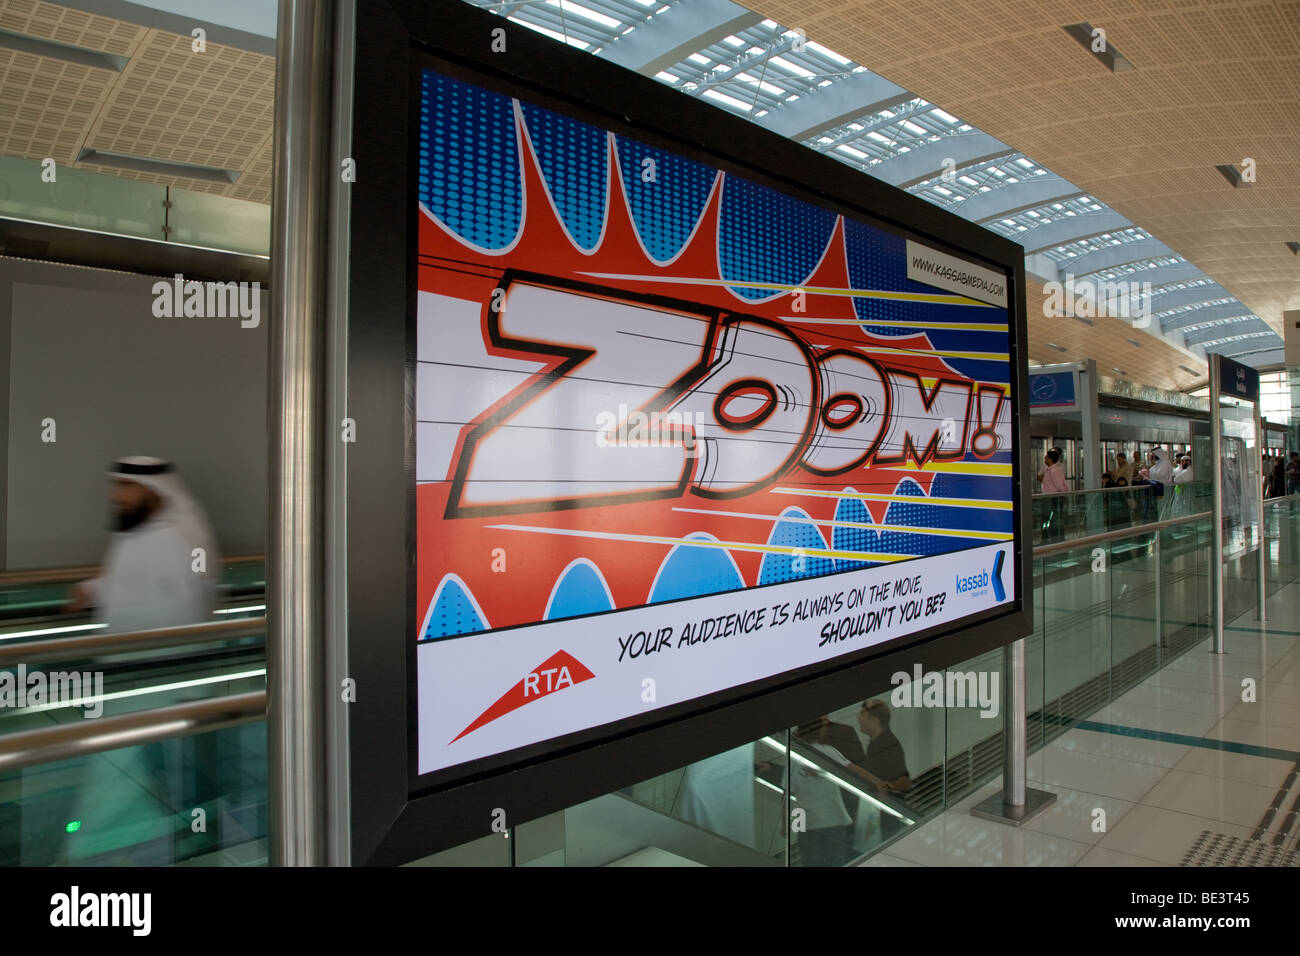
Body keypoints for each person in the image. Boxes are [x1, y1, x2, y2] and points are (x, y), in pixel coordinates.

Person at [68, 456, 221, 634]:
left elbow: (198, 594)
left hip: (165, 652)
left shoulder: (188, 537)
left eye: (127, 486)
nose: (117, 495)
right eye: (117, 485)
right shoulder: (134, 529)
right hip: (121, 646)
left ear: (155, 490)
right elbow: (132, 582)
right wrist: (93, 591)